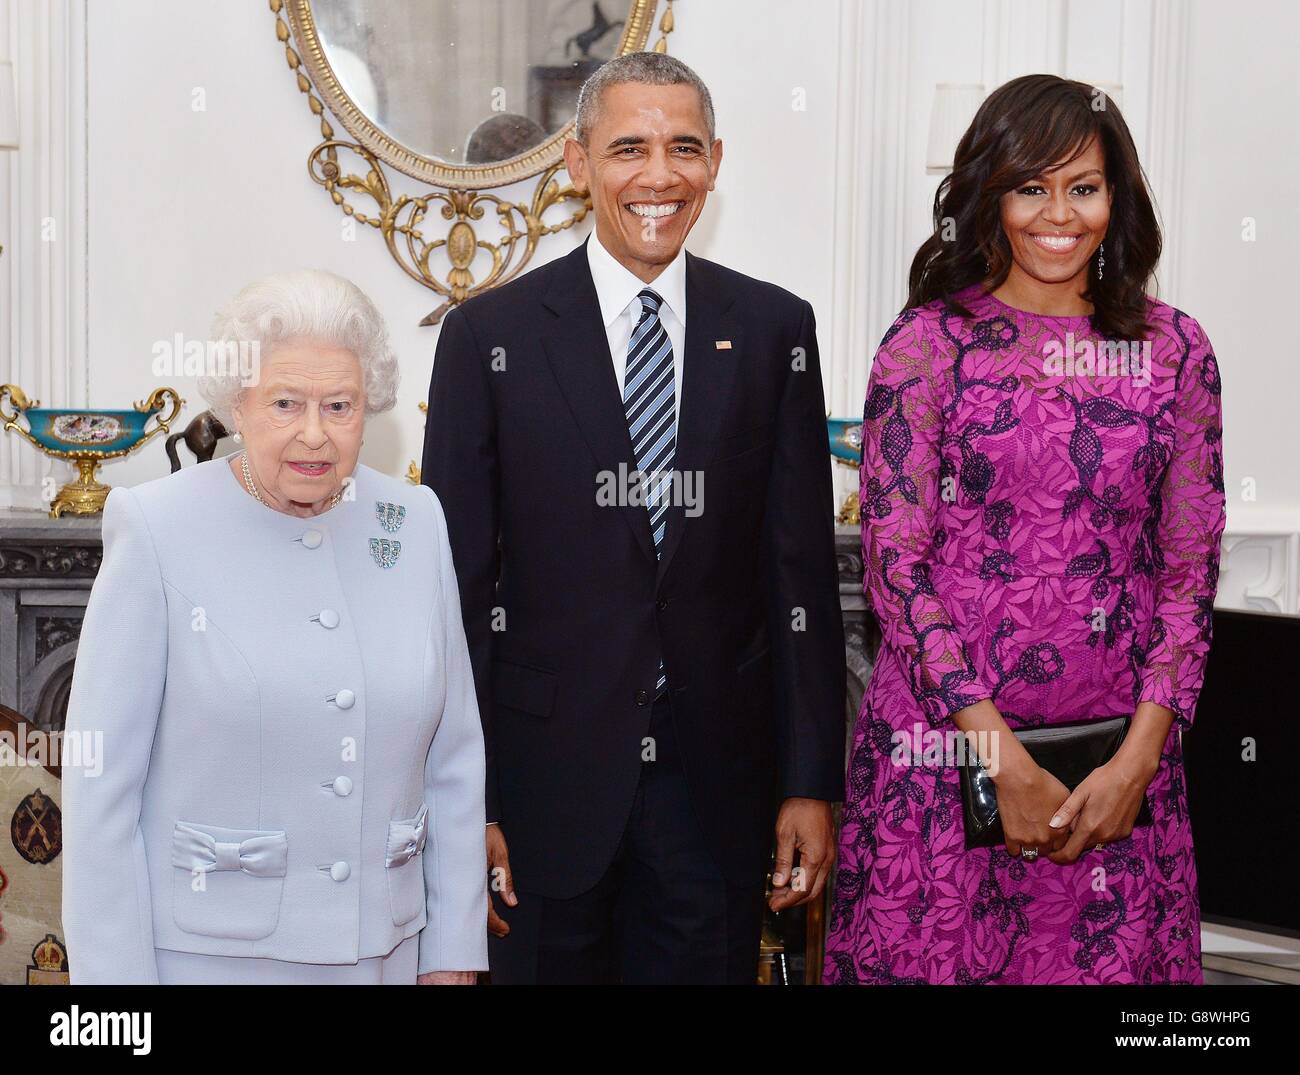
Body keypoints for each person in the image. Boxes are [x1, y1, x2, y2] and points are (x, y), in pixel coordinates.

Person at [422, 52, 846, 984]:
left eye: (683, 148)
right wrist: (468, 800)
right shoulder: (488, 338)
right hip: (541, 793)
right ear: (577, 164)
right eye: (628, 148)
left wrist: (810, 781)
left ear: (716, 161)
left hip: (716, 794)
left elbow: (799, 574)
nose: (660, 175)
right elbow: (456, 591)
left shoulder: (775, 328)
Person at [824, 74, 1226, 984]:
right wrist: (995, 755)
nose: (1059, 213)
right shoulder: (926, 344)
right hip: (940, 769)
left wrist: (1139, 761)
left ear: (1115, 198)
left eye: (1083, 187)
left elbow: (1189, 576)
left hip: (1115, 780)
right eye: (1030, 186)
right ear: (990, 196)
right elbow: (896, 568)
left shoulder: (1174, 351)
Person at [61, 269, 488, 984]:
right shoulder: (157, 527)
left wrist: (451, 955)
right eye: (286, 402)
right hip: (206, 961)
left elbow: (453, 762)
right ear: (238, 403)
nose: (314, 434)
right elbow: (100, 787)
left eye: (340, 405)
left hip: (383, 956)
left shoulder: (413, 524)